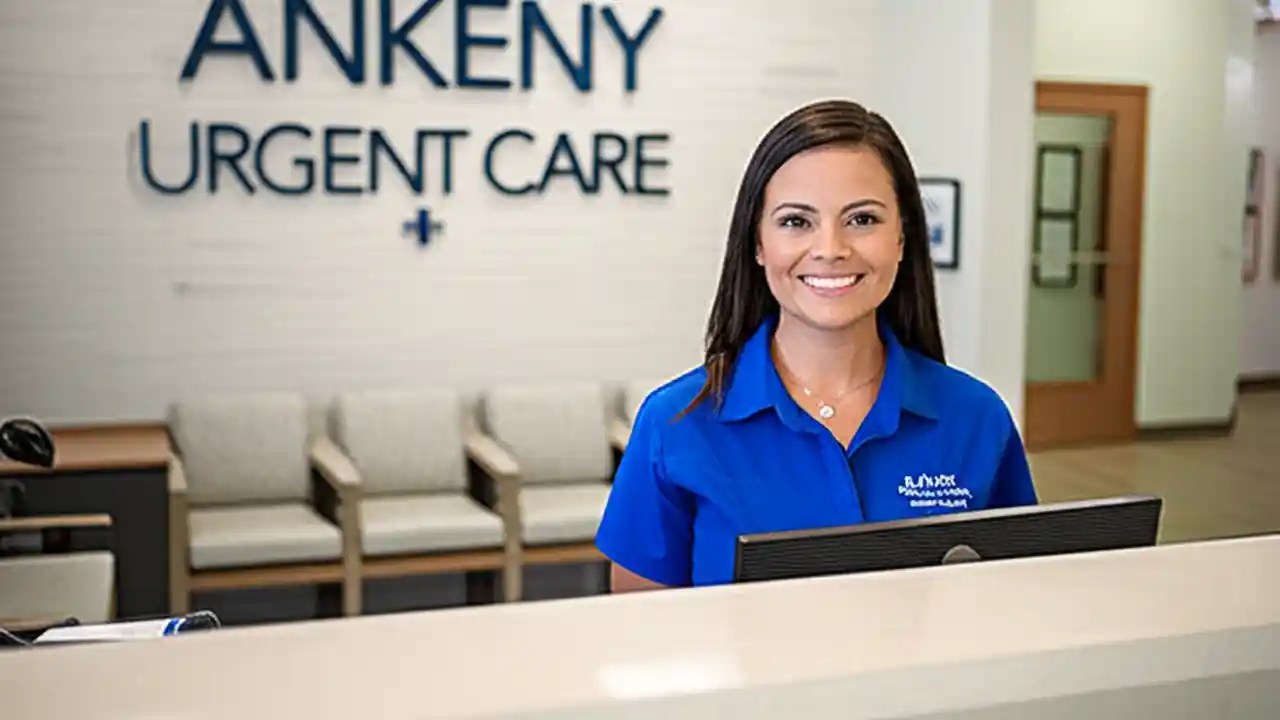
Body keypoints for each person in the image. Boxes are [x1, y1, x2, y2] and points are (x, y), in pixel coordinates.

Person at [595, 99, 1038, 592]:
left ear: (902, 239)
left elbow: (1011, 602)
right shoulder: (675, 424)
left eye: (862, 219)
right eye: (796, 222)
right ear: (758, 245)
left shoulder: (975, 416)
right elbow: (641, 639)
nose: (830, 248)